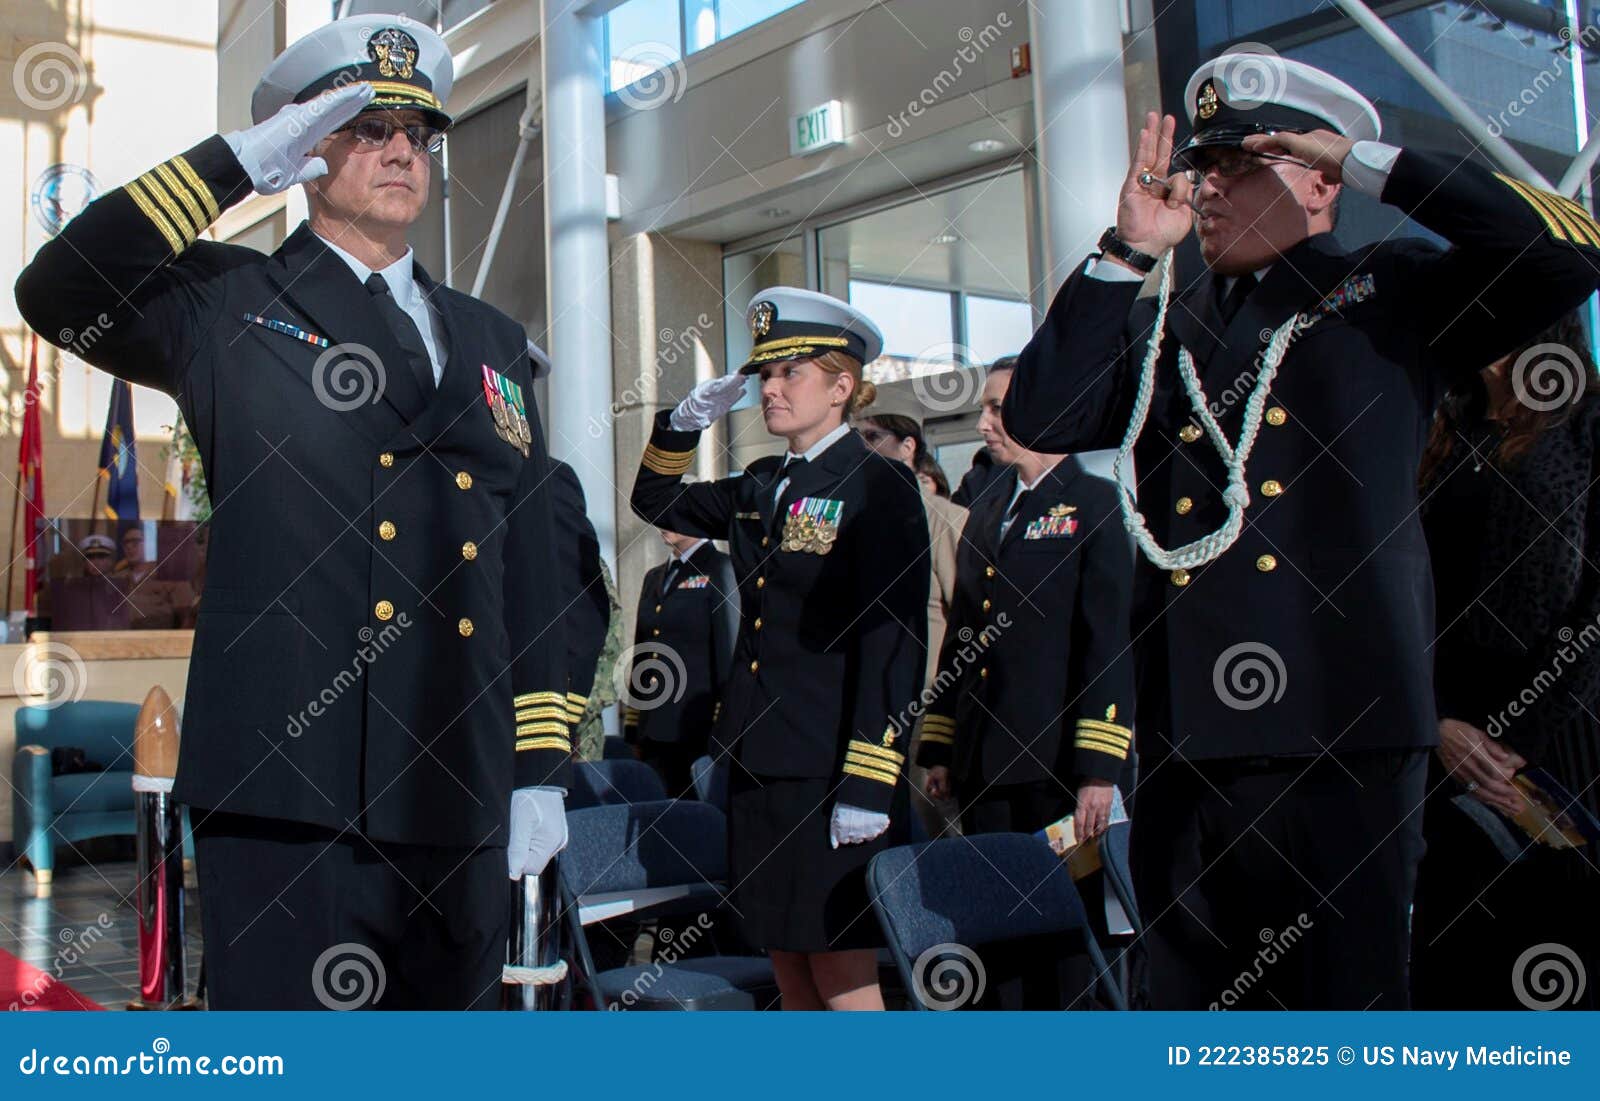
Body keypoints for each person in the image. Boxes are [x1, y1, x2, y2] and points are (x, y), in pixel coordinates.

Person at [999, 54, 1600, 1009]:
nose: (1209, 189)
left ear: (1319, 182)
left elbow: (1565, 252)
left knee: (1340, 1016)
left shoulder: (1392, 290)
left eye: (1243, 165)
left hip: (1338, 736)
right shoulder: (1165, 324)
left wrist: (1368, 161)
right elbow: (1042, 413)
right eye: (1204, 169)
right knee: (1194, 1018)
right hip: (1190, 739)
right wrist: (1125, 252)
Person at [15, 15, 572, 1009]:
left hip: (459, 779)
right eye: (369, 128)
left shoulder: (491, 338)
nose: (403, 151)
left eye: (419, 135)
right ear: (307, 149)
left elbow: (530, 565)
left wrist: (540, 765)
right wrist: (228, 168)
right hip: (292, 789)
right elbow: (57, 290)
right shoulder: (227, 302)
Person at [631, 287, 929, 1010]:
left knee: (841, 968)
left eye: (791, 372)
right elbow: (655, 501)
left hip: (830, 768)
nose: (770, 388)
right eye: (766, 374)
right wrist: (679, 426)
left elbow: (893, 640)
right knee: (786, 959)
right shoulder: (763, 483)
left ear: (841, 387)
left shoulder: (877, 483)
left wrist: (870, 779)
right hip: (759, 760)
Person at [1411, 311, 1600, 1009]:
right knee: (1456, 967)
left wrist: (1513, 742)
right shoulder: (1439, 423)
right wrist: (1436, 719)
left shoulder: (1586, 423)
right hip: (1440, 739)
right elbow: (1395, 589)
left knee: (1561, 956)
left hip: (1561, 740)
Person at [918, 358, 1134, 837]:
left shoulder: (1094, 502)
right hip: (981, 760)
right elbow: (962, 636)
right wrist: (941, 747)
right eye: (984, 409)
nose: (983, 424)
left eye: (997, 408)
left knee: (1061, 885)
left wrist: (1099, 769)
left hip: (1055, 762)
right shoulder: (987, 512)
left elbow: (1109, 641)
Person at [859, 389, 968, 838]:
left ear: (908, 447)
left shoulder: (945, 520)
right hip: (871, 706)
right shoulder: (859, 520)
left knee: (939, 828)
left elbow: (968, 619)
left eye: (873, 437)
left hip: (927, 705)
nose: (863, 448)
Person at [623, 527, 738, 796]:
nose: (664, 523)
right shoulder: (654, 577)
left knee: (692, 813)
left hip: (696, 728)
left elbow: (728, 649)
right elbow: (644, 651)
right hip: (653, 729)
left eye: (674, 515)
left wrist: (722, 725)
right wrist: (634, 725)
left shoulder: (720, 567)